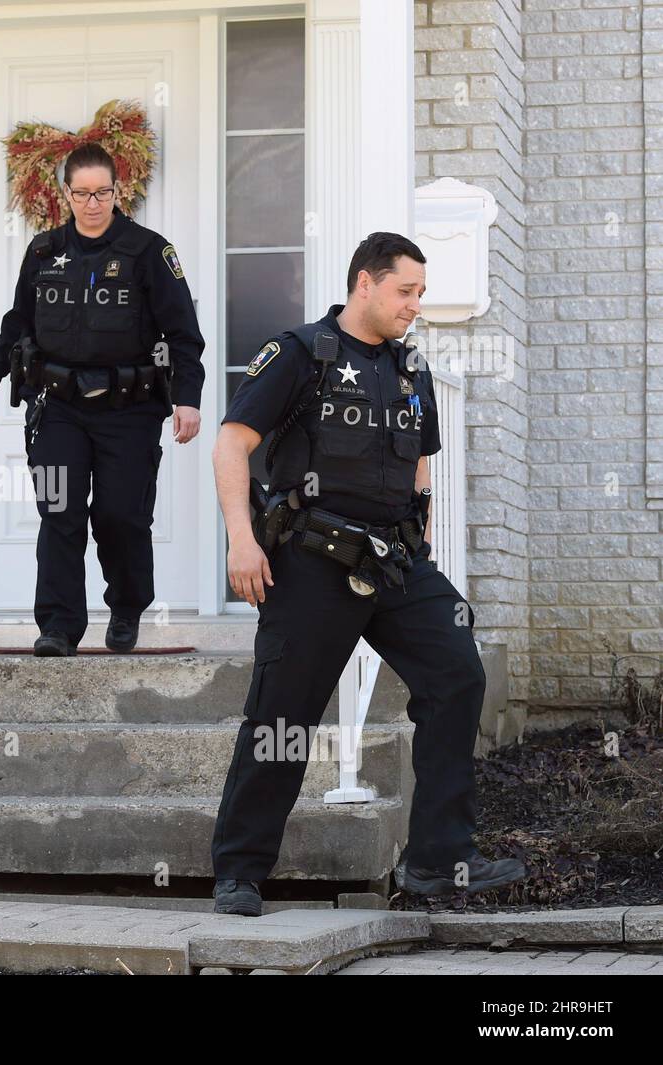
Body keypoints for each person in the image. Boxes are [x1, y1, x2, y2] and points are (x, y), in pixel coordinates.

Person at [209, 232, 528, 915]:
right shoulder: (299, 354)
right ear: (365, 284)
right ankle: (239, 870)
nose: (416, 304)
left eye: (420, 292)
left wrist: (424, 545)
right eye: (405, 290)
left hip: (395, 560)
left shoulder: (411, 369)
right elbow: (232, 443)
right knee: (282, 716)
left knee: (457, 672)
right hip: (308, 563)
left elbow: (420, 464)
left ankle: (439, 859)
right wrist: (242, 538)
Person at [0, 142, 205, 656]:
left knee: (121, 515)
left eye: (103, 192)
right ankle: (57, 625)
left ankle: (126, 606)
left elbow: (183, 332)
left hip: (130, 409)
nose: (93, 203)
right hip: (58, 409)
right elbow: (18, 323)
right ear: (65, 194)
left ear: (118, 192)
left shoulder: (149, 251)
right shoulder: (44, 252)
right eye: (82, 193)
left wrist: (188, 398)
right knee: (59, 511)